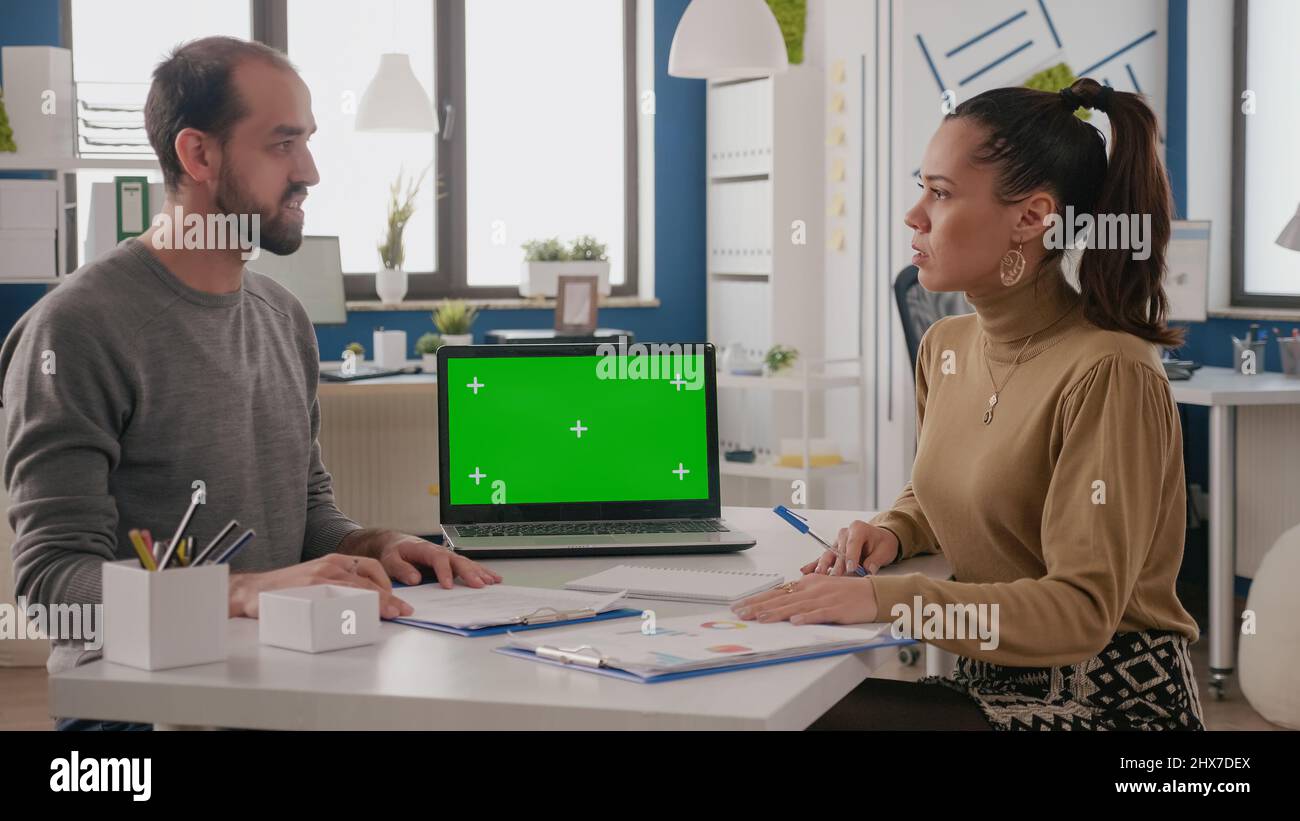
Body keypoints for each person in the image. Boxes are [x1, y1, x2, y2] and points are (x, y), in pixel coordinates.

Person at [0, 37, 501, 730]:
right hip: (143, 716)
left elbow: (302, 516)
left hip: (278, 691)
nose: (311, 172)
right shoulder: (76, 328)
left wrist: (370, 543)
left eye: (308, 142)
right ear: (198, 155)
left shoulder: (281, 316)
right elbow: (55, 586)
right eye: (282, 145)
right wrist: (239, 593)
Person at [733, 79, 1204, 731]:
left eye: (942, 193)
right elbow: (943, 491)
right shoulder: (945, 345)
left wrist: (884, 599)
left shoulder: (1110, 371)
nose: (914, 214)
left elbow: (1081, 611)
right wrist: (894, 529)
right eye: (921, 186)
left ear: (1033, 216)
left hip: (1111, 703)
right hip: (988, 682)